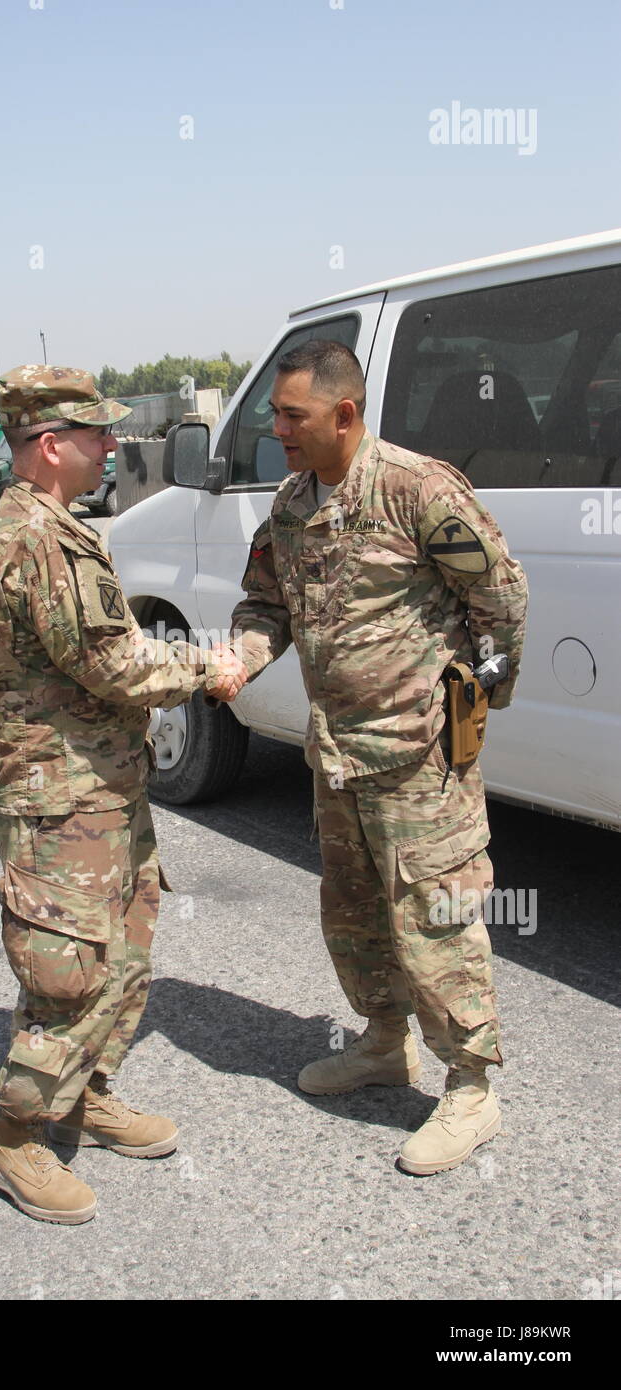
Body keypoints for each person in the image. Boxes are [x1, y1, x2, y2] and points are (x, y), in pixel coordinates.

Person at [216, 340, 528, 1176]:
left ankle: (471, 1085)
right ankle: (385, 1043)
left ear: (344, 415)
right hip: (339, 756)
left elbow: (501, 600)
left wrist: (467, 709)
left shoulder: (418, 491)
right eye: (275, 415)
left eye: (293, 416)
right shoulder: (289, 505)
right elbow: (266, 603)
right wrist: (243, 657)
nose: (276, 430)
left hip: (421, 758)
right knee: (355, 914)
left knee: (439, 914)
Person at [0, 365, 246, 1223]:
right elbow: (116, 663)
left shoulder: (58, 525)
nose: (112, 447)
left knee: (124, 949)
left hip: (102, 784)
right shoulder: (36, 539)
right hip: (62, 801)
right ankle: (14, 1138)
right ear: (50, 447)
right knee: (71, 969)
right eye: (95, 435)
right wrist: (214, 667)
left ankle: (85, 1095)